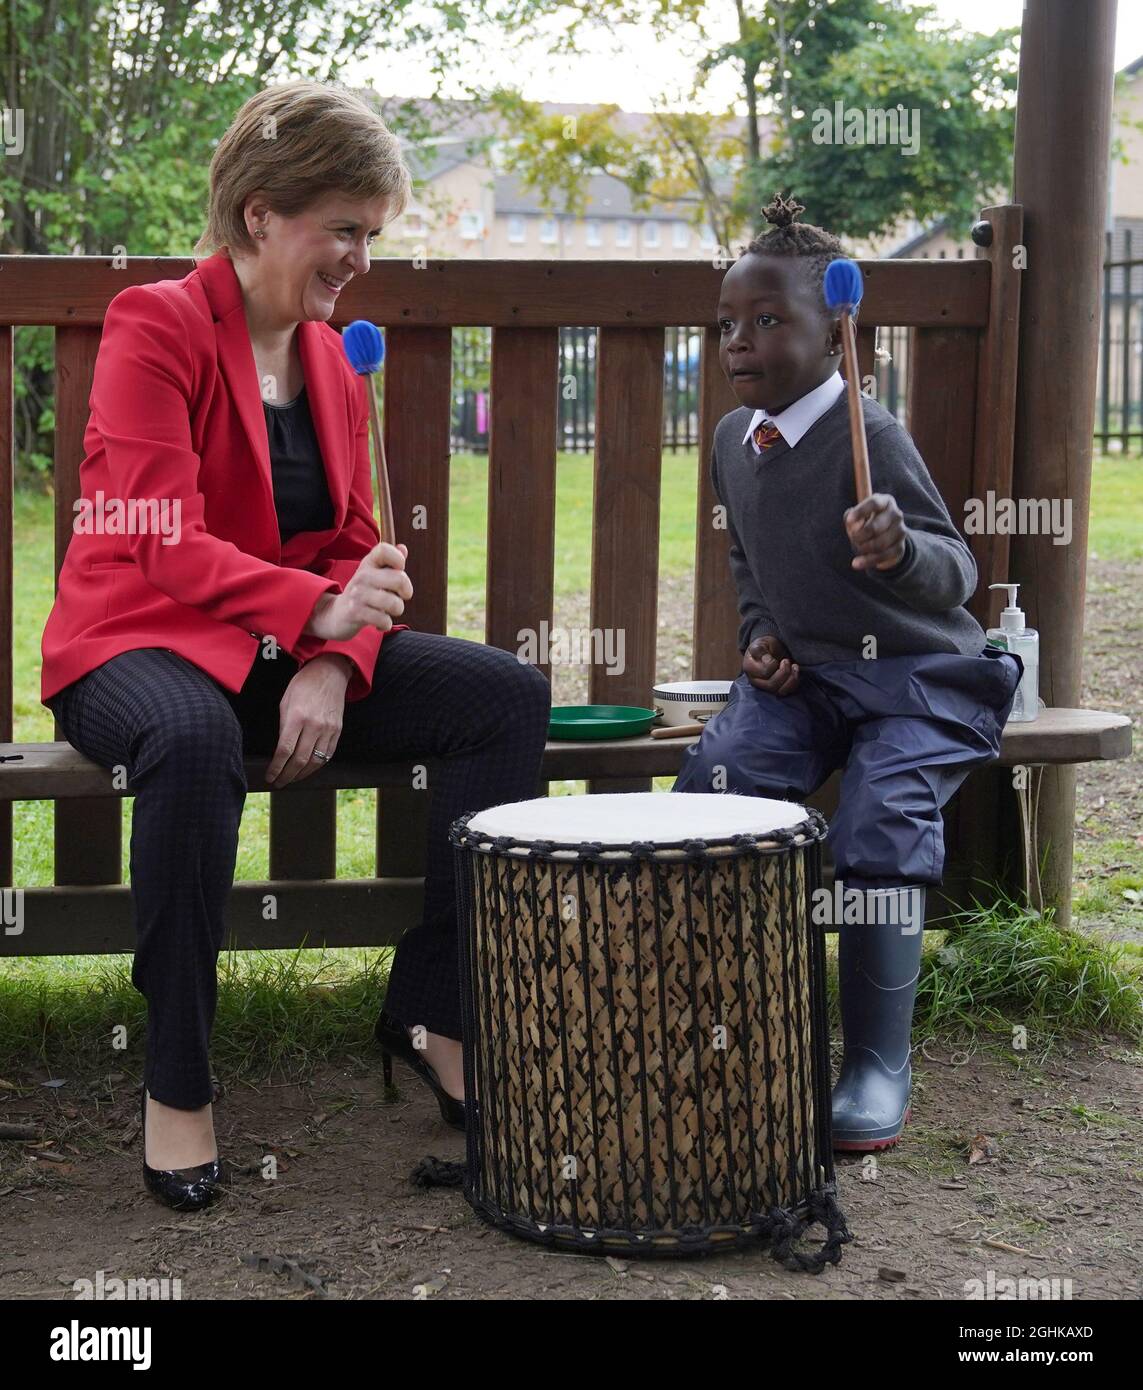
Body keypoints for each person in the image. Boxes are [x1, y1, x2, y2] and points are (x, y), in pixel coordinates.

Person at [40, 82, 550, 1210]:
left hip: (279, 651)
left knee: (505, 698)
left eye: (373, 233)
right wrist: (309, 614)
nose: (360, 257)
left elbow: (362, 552)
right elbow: (161, 540)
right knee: (187, 736)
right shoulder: (155, 324)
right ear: (263, 214)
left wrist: (330, 658)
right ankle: (176, 1078)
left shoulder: (330, 359)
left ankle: (434, 1011)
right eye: (346, 229)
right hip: (137, 641)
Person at [673, 193, 1021, 1151]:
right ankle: (726, 1030)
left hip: (920, 677)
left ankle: (873, 1062)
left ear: (836, 333)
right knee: (717, 786)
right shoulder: (731, 445)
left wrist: (898, 548)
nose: (739, 342)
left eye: (768, 321)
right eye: (727, 326)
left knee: (879, 812)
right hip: (809, 681)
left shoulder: (871, 436)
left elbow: (958, 570)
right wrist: (761, 640)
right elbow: (751, 569)